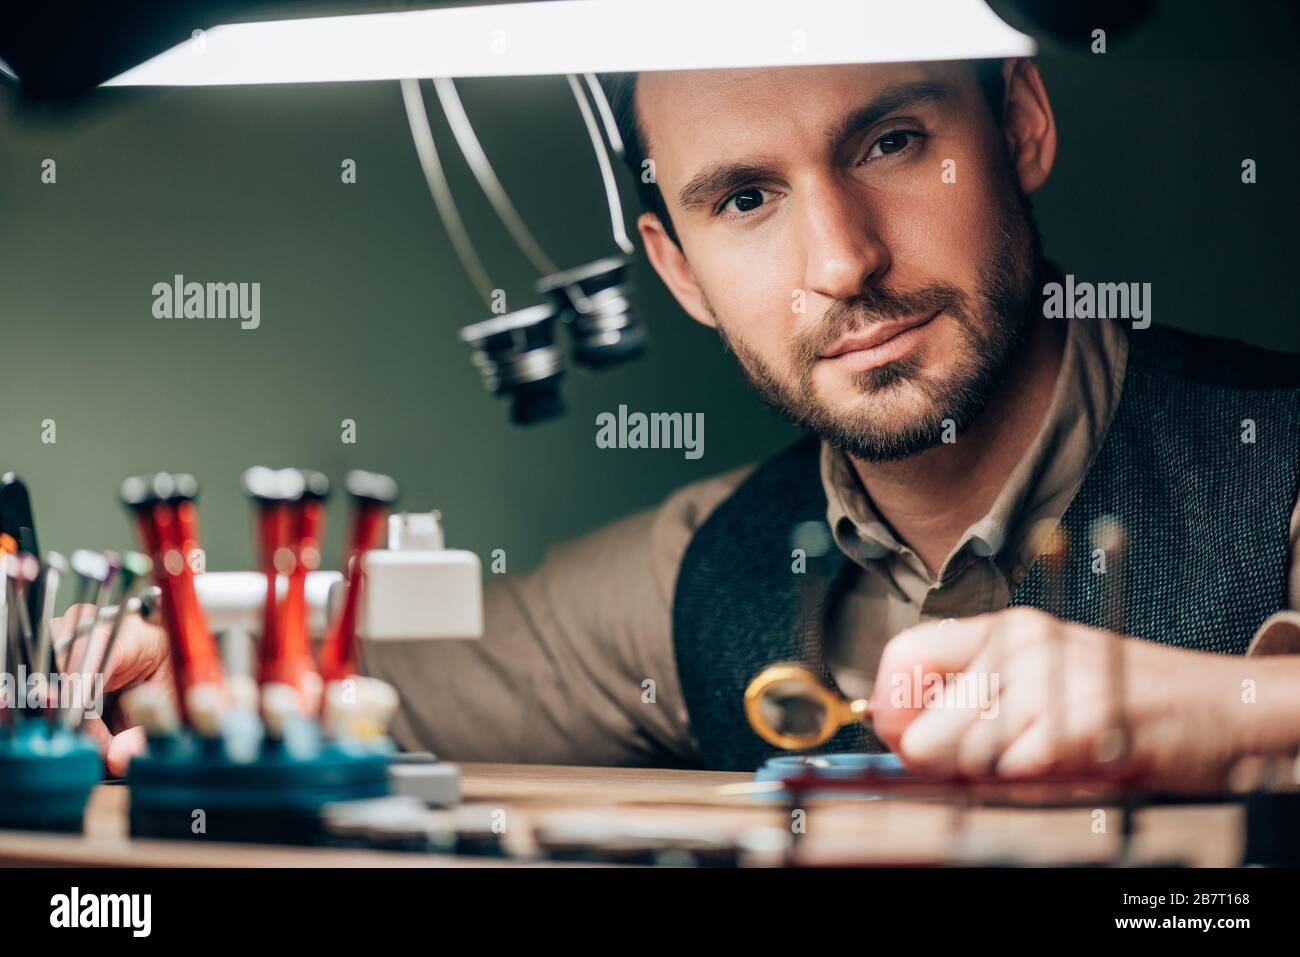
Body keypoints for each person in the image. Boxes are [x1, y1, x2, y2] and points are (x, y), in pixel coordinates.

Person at [84, 56, 1300, 789]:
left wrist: (1202, 710)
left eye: (891, 141)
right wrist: (123, 664)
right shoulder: (696, 571)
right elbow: (325, 686)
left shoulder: (1278, 458)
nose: (842, 261)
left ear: (1020, 122)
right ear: (676, 271)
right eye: (746, 198)